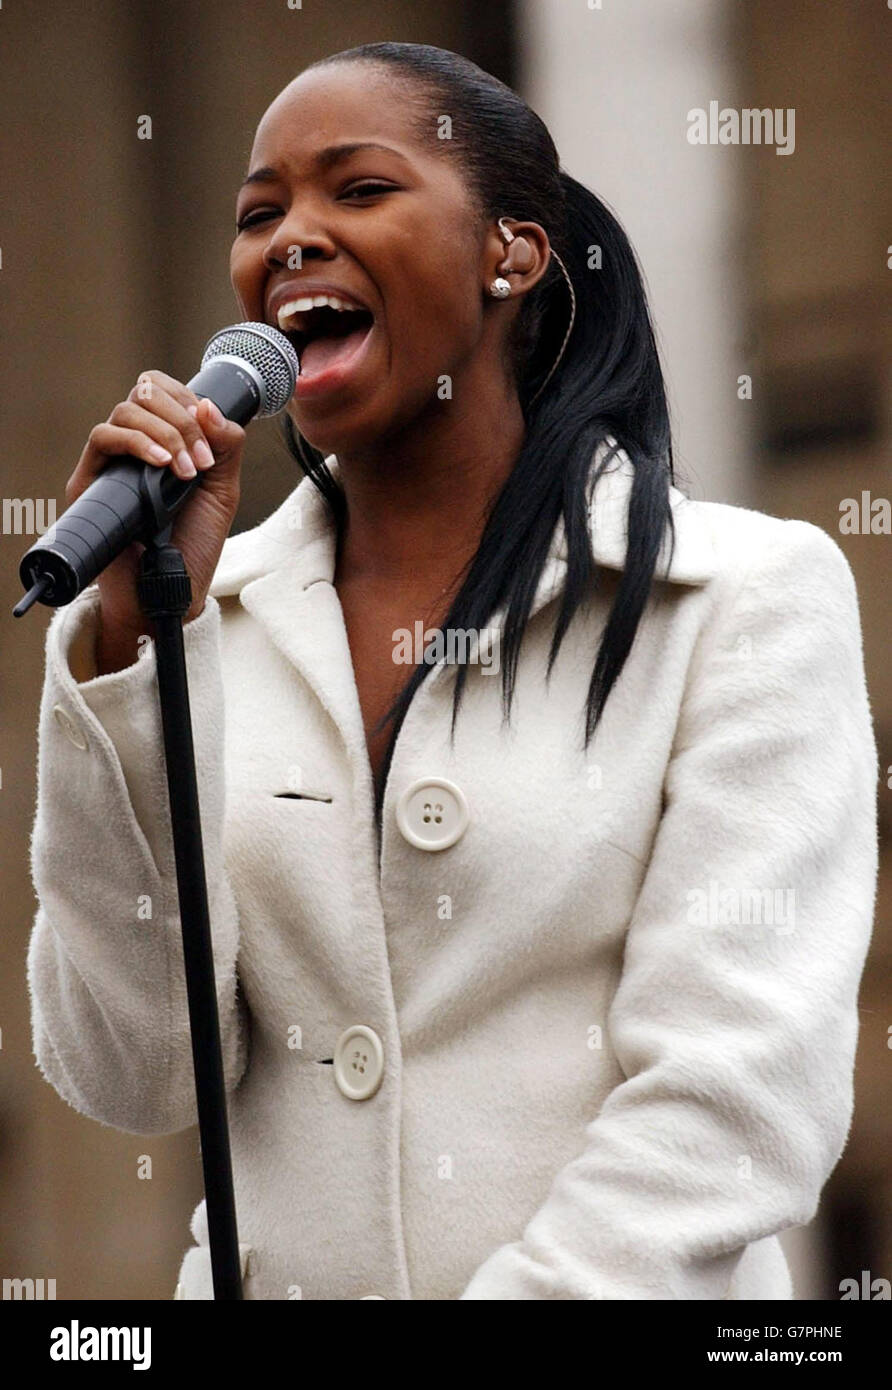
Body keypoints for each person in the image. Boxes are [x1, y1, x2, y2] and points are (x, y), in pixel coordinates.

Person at [27, 42, 878, 1300]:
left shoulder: (739, 601)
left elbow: (733, 1100)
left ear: (512, 254)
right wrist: (134, 641)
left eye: (357, 191)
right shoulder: (213, 619)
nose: (291, 238)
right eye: (261, 213)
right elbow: (130, 1069)